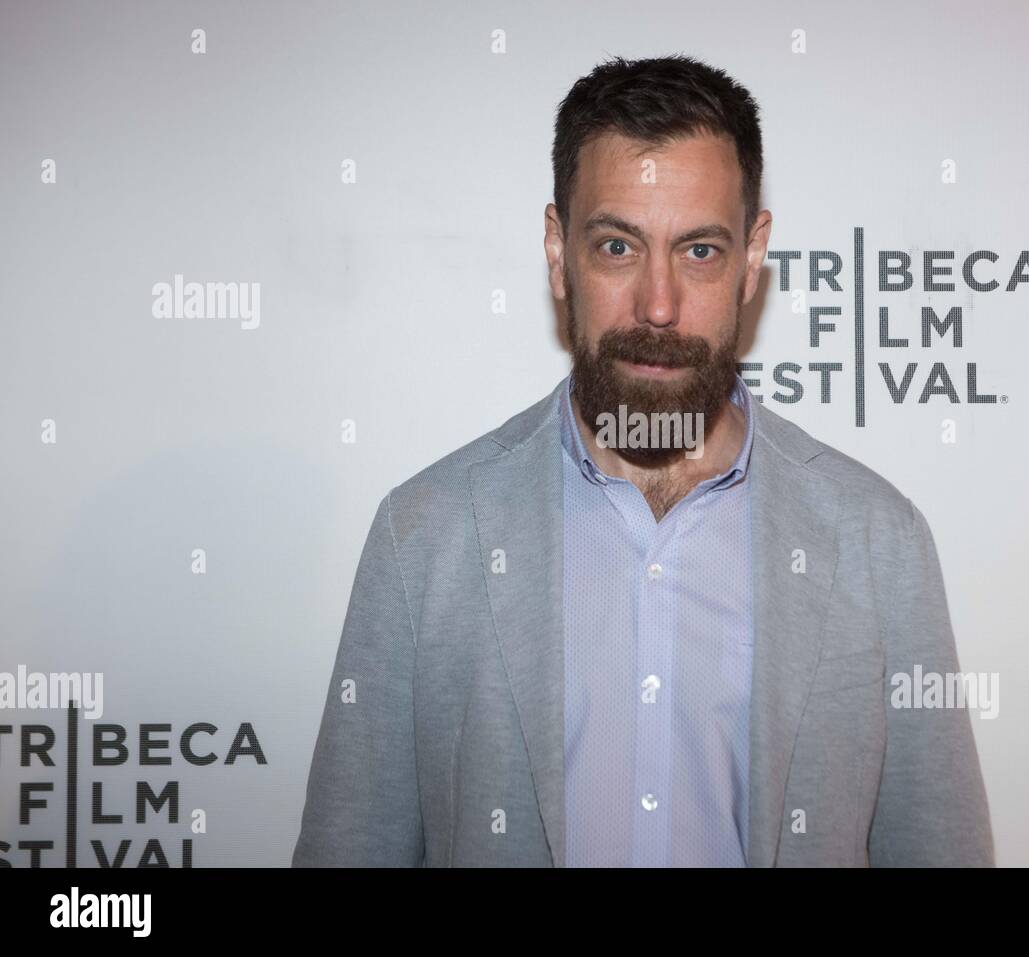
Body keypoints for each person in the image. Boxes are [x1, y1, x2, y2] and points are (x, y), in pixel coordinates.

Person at [292, 53, 993, 867]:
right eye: (618, 246)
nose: (658, 305)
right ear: (558, 252)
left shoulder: (878, 541)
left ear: (752, 255)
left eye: (699, 251)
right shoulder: (425, 537)